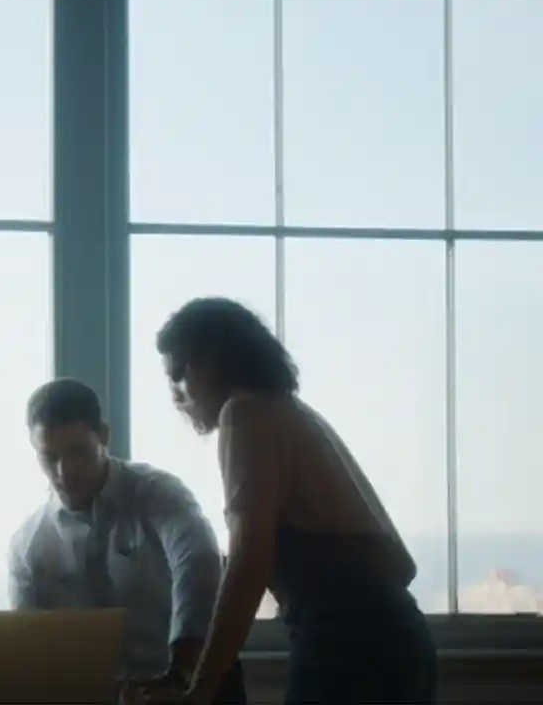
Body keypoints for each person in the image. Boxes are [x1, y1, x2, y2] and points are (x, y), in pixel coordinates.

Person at [144, 297, 437, 705]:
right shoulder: (292, 413)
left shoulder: (243, 413)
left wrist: (201, 690)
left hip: (348, 646)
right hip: (394, 638)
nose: (177, 396)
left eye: (177, 375)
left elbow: (250, 562)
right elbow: (401, 566)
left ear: (205, 363)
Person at [8, 378, 246, 704]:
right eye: (50, 458)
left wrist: (183, 671)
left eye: (77, 452)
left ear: (104, 436)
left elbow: (199, 559)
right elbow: (31, 645)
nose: (64, 472)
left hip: (186, 678)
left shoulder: (157, 493)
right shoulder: (27, 546)